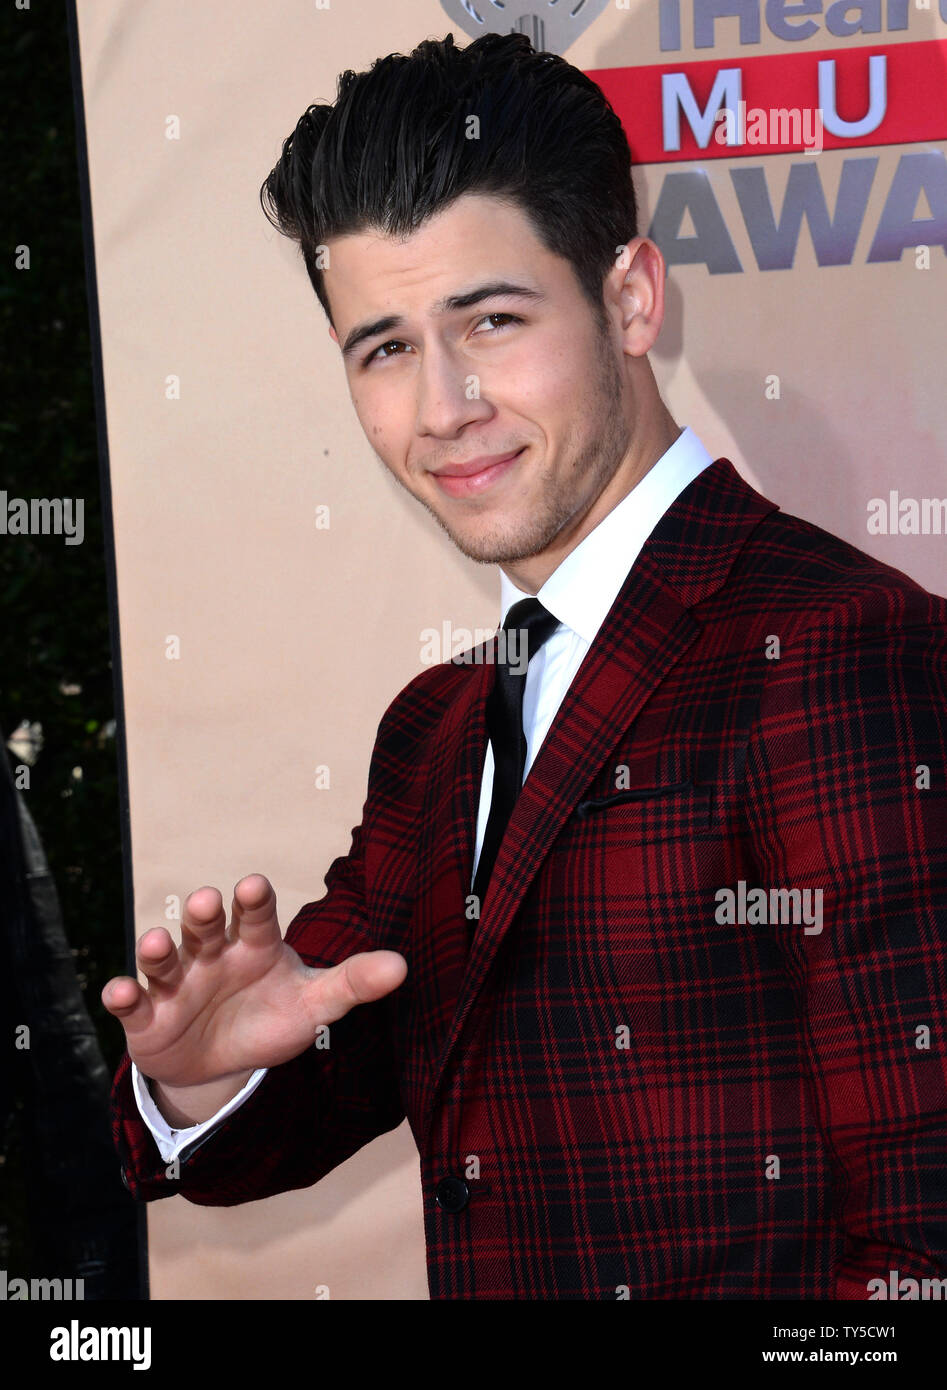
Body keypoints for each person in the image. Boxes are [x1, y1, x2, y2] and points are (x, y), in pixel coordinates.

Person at [104, 31, 947, 1300]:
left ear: (629, 299)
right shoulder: (435, 728)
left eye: (488, 320)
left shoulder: (836, 653)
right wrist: (203, 1070)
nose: (441, 405)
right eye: (382, 348)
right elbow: (303, 1098)